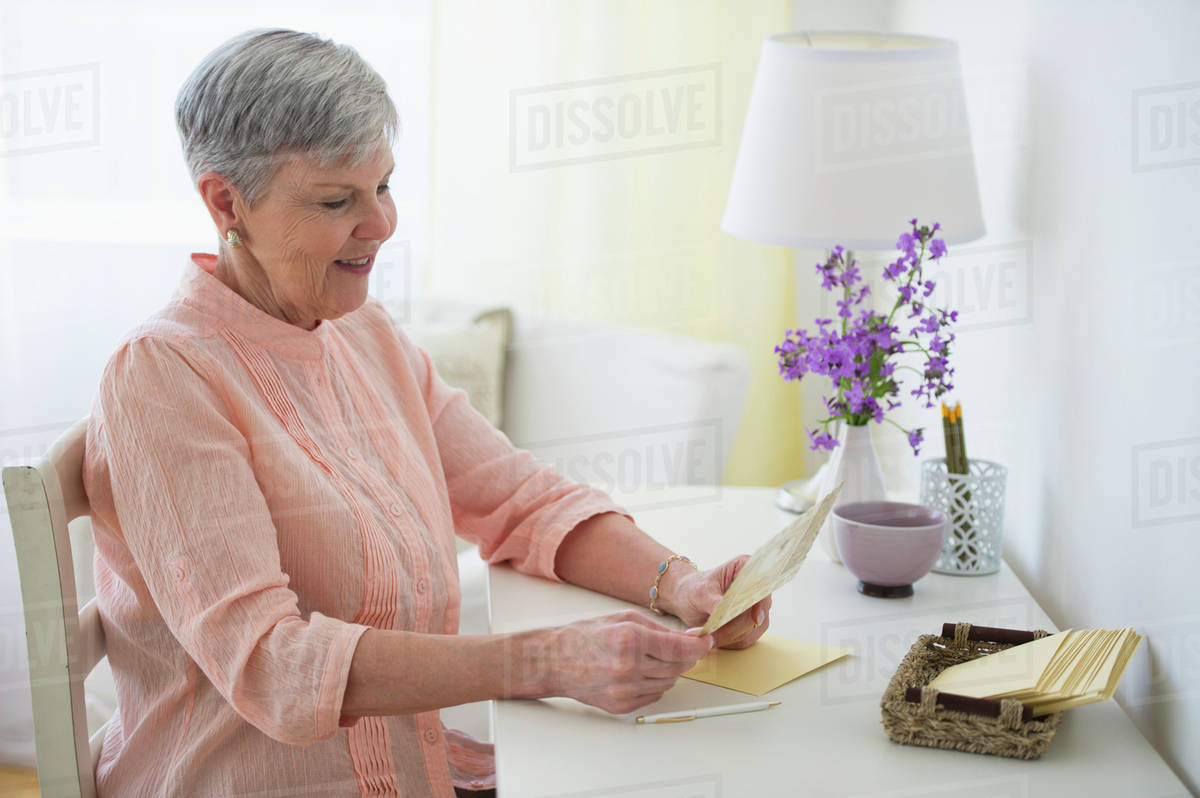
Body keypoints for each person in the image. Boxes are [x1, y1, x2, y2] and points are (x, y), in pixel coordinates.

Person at [82, 28, 772, 798]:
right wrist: (543, 662)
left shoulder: (363, 332)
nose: (380, 225)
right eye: (337, 200)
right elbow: (273, 667)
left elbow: (521, 500)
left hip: (420, 771)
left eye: (384, 186)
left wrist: (680, 585)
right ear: (224, 202)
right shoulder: (163, 376)